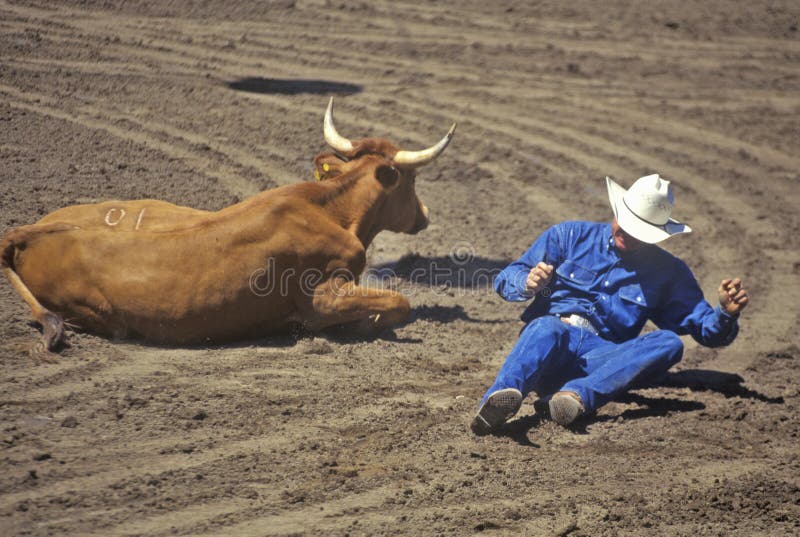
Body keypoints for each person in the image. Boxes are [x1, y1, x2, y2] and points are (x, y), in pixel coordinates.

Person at [471, 173, 749, 435]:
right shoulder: (569, 236)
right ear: (617, 211)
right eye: (625, 224)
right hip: (551, 342)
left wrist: (725, 313)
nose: (627, 234)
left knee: (669, 343)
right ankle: (500, 400)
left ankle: (573, 397)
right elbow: (507, 277)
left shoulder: (669, 273)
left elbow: (705, 329)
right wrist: (528, 283)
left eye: (639, 231)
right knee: (545, 326)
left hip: (600, 359)